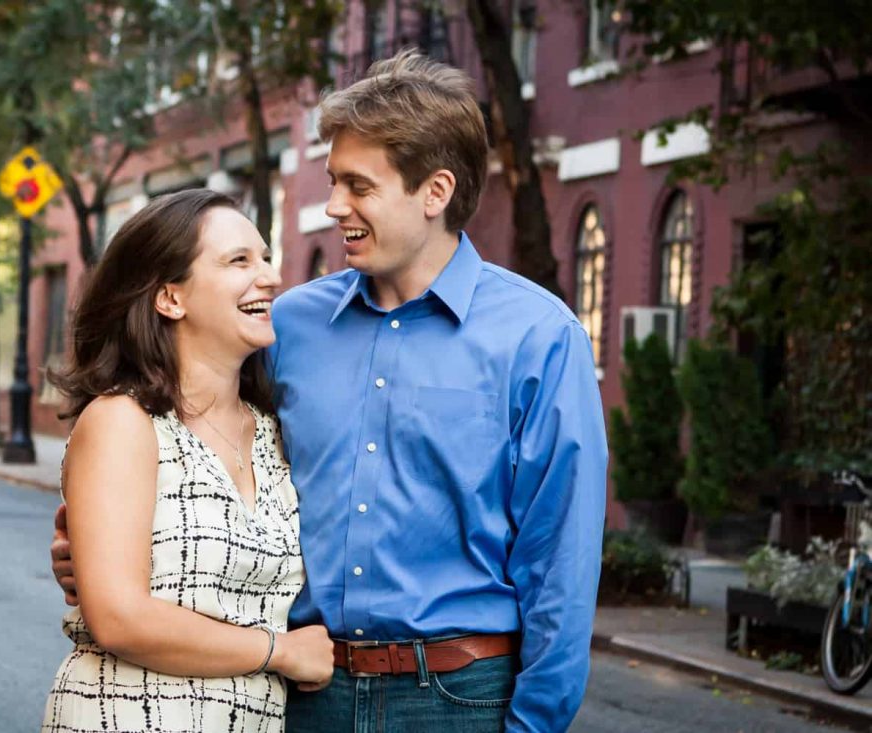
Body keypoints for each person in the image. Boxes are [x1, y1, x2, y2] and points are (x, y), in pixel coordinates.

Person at [53, 50, 607, 732]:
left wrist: (535, 726)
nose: (335, 205)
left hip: (459, 697)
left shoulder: (539, 337)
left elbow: (561, 562)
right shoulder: (285, 326)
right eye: (333, 181)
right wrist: (98, 548)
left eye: (358, 186)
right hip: (303, 692)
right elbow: (189, 443)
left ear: (434, 192)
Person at [39, 189, 333, 733]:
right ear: (171, 298)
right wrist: (282, 651)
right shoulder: (124, 421)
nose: (270, 277)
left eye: (266, 257)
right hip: (127, 716)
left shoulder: (273, 432)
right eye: (238, 261)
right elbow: (118, 618)